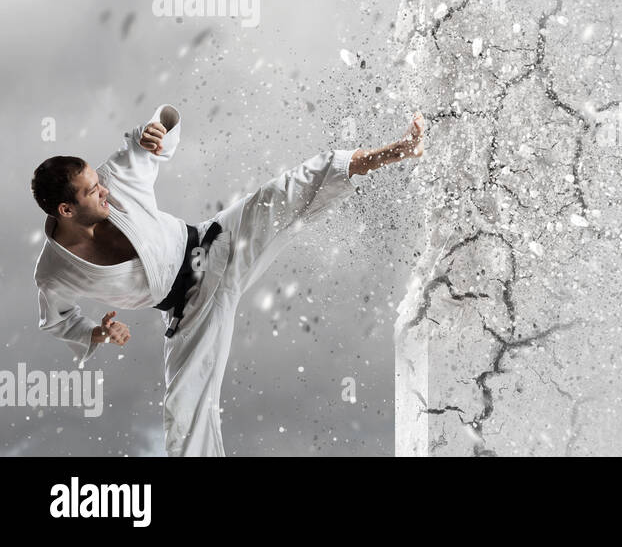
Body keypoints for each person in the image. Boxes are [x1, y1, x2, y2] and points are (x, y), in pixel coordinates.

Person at [30, 103, 426, 456]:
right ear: (66, 209)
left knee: (293, 186)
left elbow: (160, 126)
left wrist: (160, 128)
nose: (103, 190)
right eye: (91, 192)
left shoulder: (113, 177)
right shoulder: (53, 272)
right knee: (183, 417)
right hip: (190, 313)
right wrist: (99, 333)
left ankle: (399, 150)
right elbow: (58, 321)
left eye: (98, 182)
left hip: (214, 243)